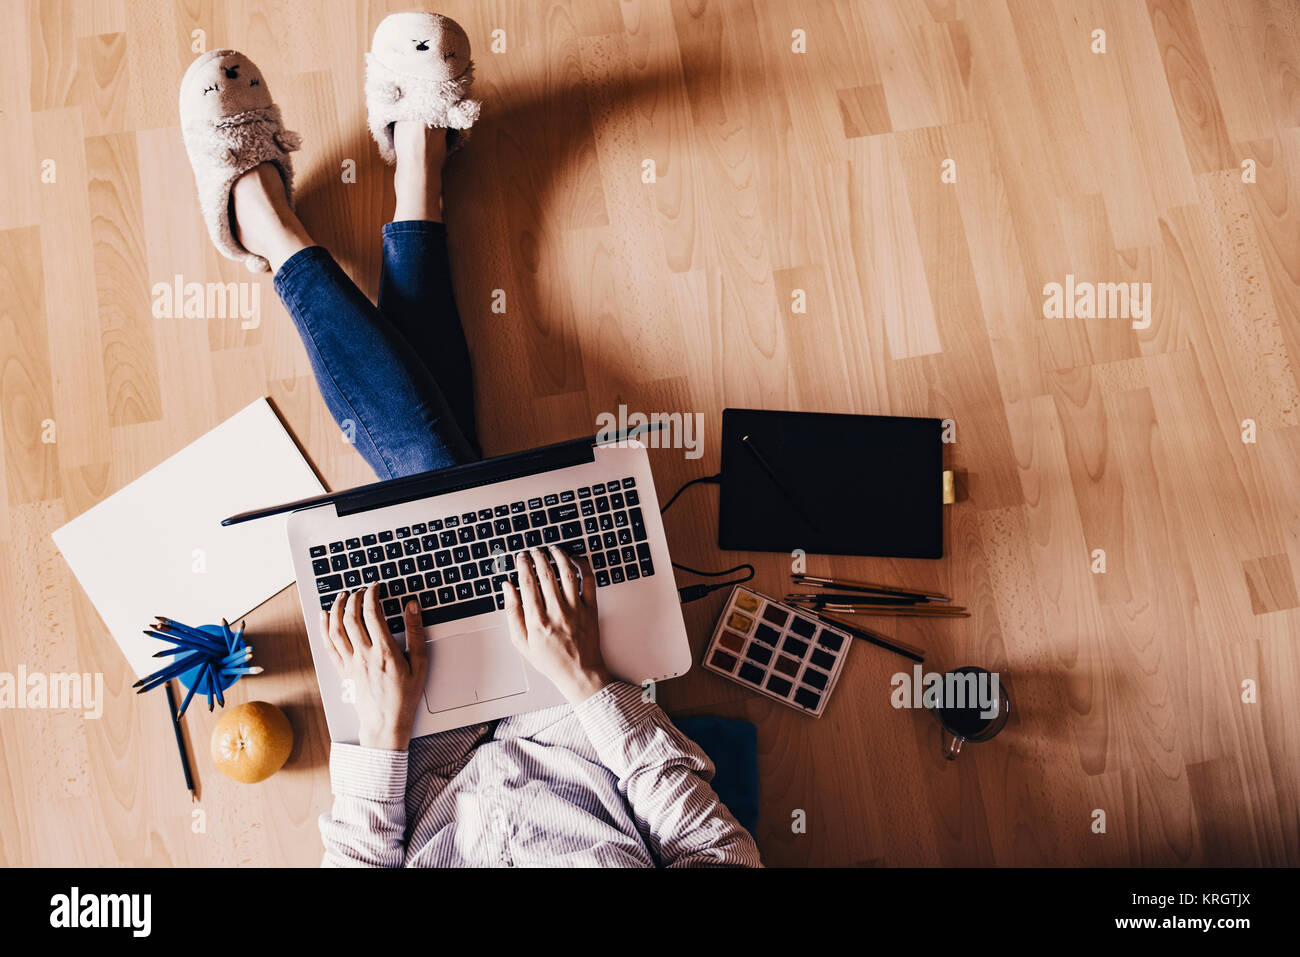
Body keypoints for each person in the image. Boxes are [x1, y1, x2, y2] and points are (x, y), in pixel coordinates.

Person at [184, 54, 762, 867]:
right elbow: (711, 841)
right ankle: (313, 215)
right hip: (573, 722)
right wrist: (588, 680)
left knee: (436, 473)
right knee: (440, 473)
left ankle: (381, 183)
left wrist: (383, 728)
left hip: (418, 752)